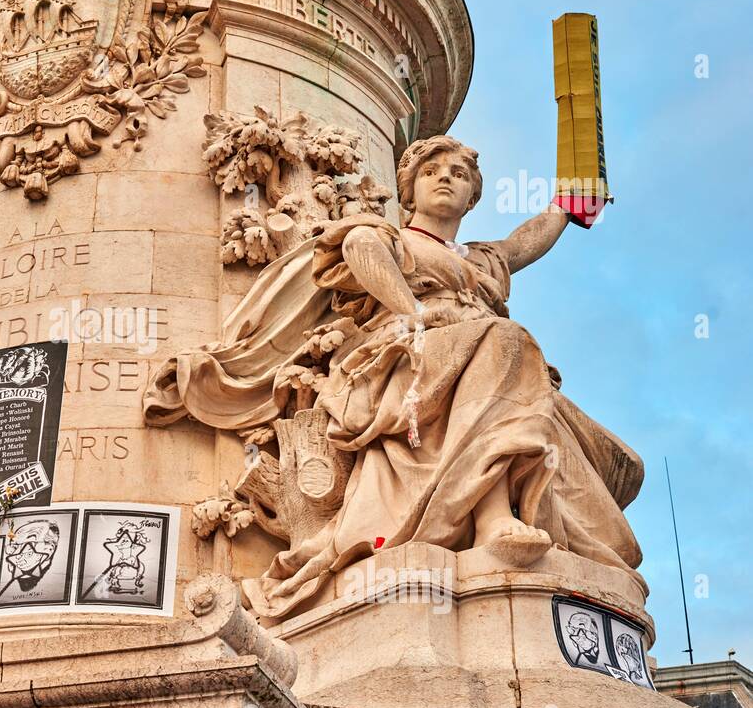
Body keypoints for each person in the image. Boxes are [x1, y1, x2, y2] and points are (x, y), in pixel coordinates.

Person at [147, 135, 645, 622]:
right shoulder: (391, 236)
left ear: (473, 196)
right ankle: (492, 514)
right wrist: (415, 316)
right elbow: (360, 246)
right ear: (407, 191)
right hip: (405, 356)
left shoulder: (478, 257)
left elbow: (524, 242)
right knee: (505, 340)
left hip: (485, 361)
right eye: (431, 173)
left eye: (459, 175)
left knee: (621, 462)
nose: (445, 180)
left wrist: (566, 204)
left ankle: (560, 537)